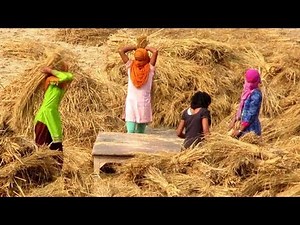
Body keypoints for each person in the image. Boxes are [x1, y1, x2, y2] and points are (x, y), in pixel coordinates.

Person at [34, 61, 74, 153]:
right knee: (42, 146)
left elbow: (69, 76)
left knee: (55, 144)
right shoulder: (50, 80)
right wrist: (51, 71)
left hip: (53, 115)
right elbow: (65, 77)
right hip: (44, 115)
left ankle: (55, 165)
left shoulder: (61, 81)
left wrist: (51, 70)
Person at [118, 45, 158, 133]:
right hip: (132, 103)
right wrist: (138, 47)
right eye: (136, 59)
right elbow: (121, 51)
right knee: (131, 131)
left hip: (143, 103)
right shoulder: (133, 66)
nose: (138, 62)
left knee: (140, 133)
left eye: (140, 60)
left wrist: (136, 48)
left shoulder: (148, 69)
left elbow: (155, 52)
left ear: (145, 59)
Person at [228, 68, 262, 139]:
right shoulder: (247, 90)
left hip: (250, 130)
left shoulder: (256, 95)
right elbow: (242, 108)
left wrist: (240, 130)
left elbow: (251, 114)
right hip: (241, 126)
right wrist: (234, 120)